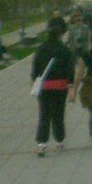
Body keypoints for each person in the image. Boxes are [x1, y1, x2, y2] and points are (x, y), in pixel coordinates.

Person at [30, 18, 76, 155]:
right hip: (60, 86)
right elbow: (70, 70)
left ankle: (42, 143)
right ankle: (59, 140)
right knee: (58, 113)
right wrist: (71, 86)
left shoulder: (40, 49)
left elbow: (35, 68)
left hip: (44, 86)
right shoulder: (65, 50)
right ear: (60, 35)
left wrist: (34, 82)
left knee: (44, 114)